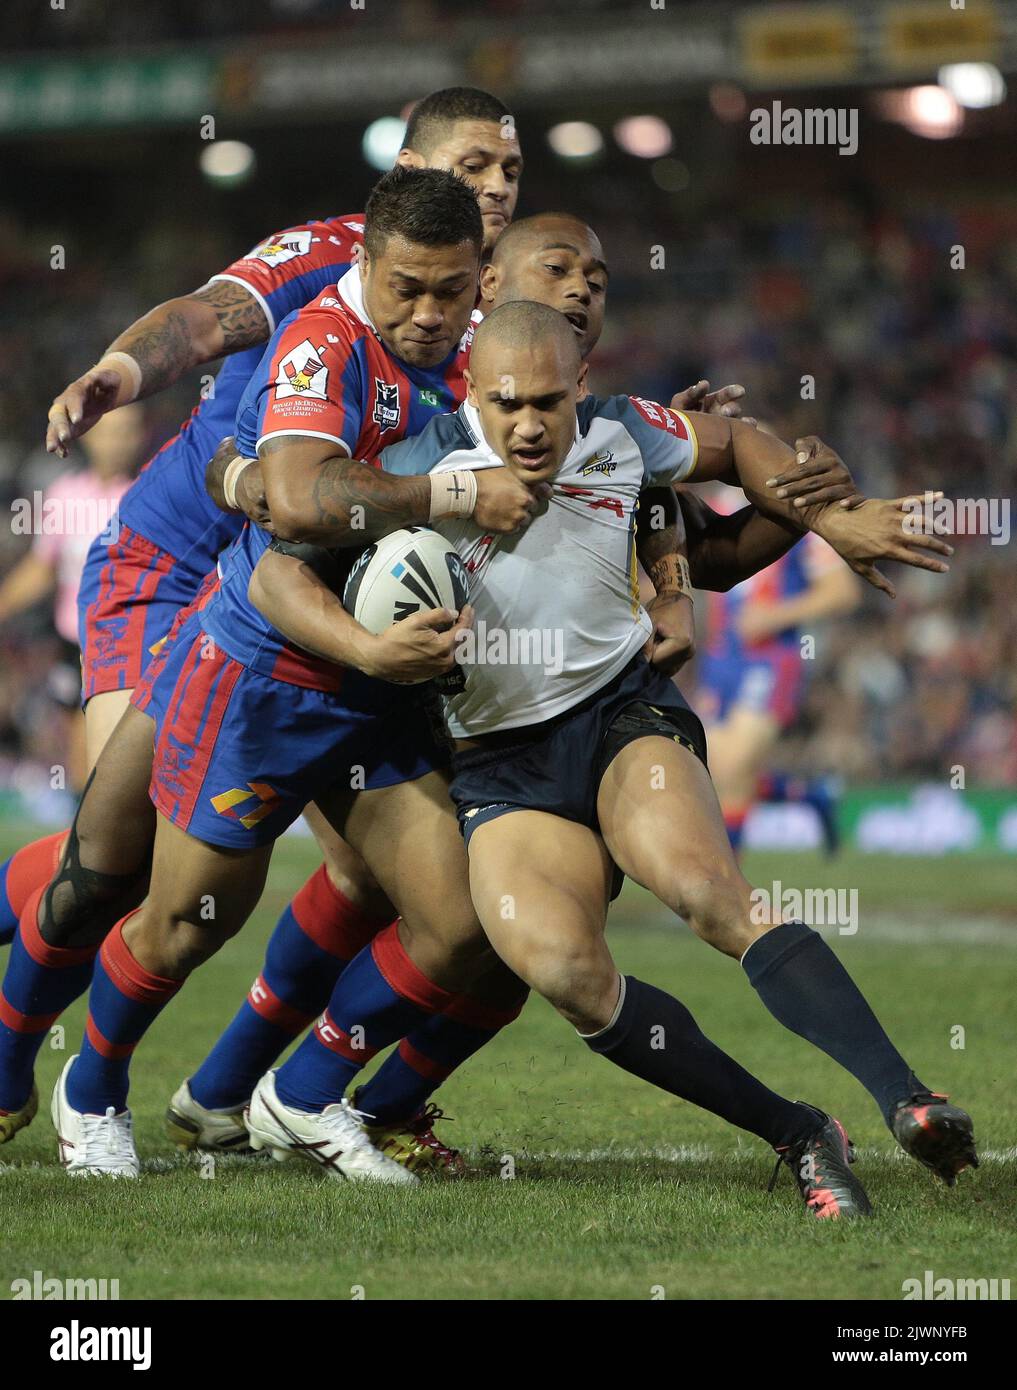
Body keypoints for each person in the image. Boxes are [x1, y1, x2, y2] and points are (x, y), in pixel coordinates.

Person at [242, 301, 975, 1214]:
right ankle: (798, 1134)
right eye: (505, 403)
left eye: (548, 402)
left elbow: (737, 445)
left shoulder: (622, 430)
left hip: (622, 716)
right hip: (496, 765)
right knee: (565, 972)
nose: (527, 424)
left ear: (579, 387)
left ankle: (906, 1098)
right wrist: (366, 648)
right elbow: (276, 564)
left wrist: (838, 514)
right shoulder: (411, 468)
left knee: (708, 895)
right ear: (472, 390)